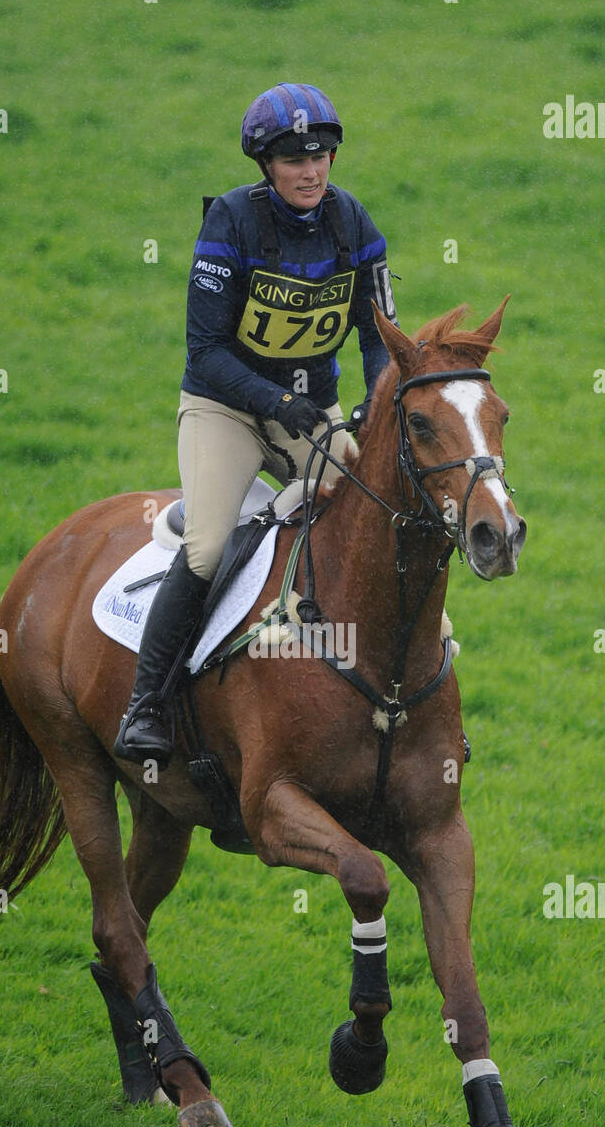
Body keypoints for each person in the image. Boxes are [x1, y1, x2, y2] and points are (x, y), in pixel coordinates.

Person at [114, 82, 398, 766]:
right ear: (265, 166)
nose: (311, 171)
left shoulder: (352, 223)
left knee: (377, 519)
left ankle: (397, 690)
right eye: (294, 159)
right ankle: (147, 703)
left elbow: (379, 333)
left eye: (321, 155)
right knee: (209, 548)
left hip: (310, 411)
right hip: (227, 411)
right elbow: (205, 353)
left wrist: (378, 397)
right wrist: (277, 404)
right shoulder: (232, 225)